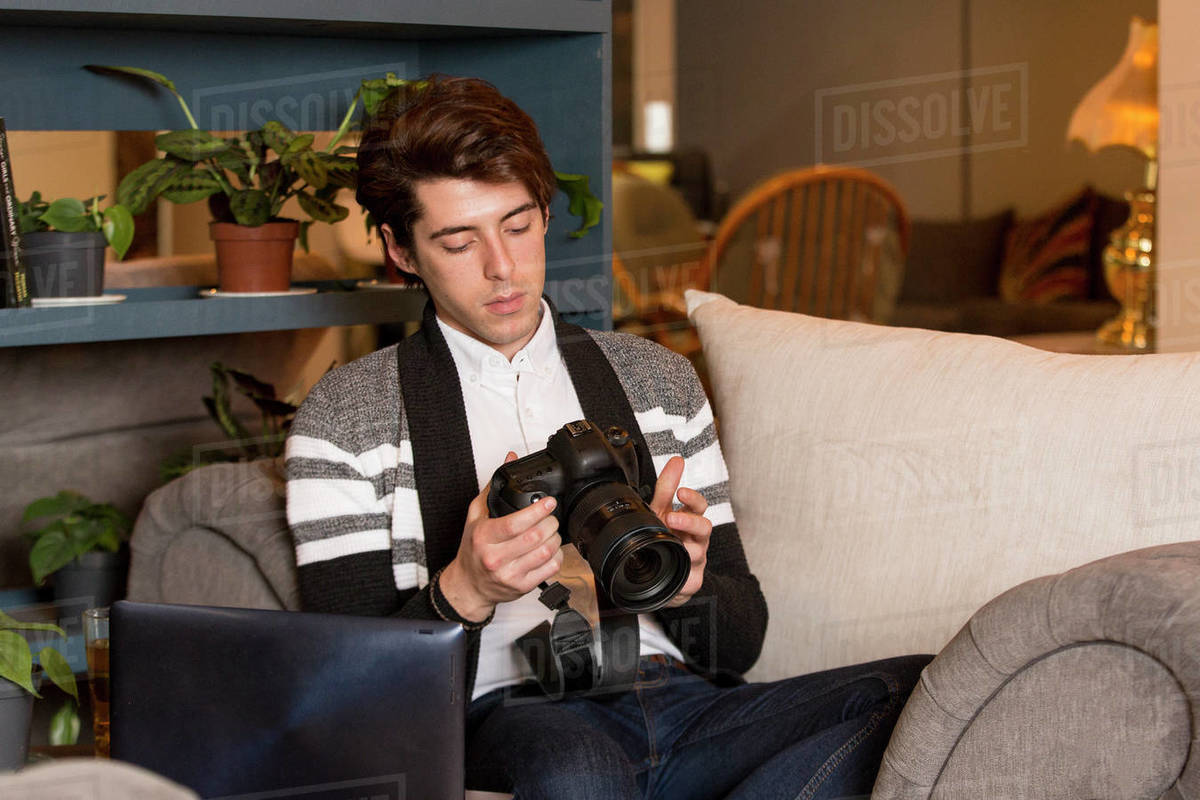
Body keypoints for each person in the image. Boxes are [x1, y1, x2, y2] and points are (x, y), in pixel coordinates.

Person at [285, 75, 931, 800]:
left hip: (683, 702)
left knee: (923, 690)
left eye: (519, 226)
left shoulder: (655, 381)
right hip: (514, 712)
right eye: (459, 242)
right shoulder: (347, 419)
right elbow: (352, 707)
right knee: (577, 769)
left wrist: (687, 583)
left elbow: (740, 645)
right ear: (401, 250)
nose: (503, 268)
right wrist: (466, 588)